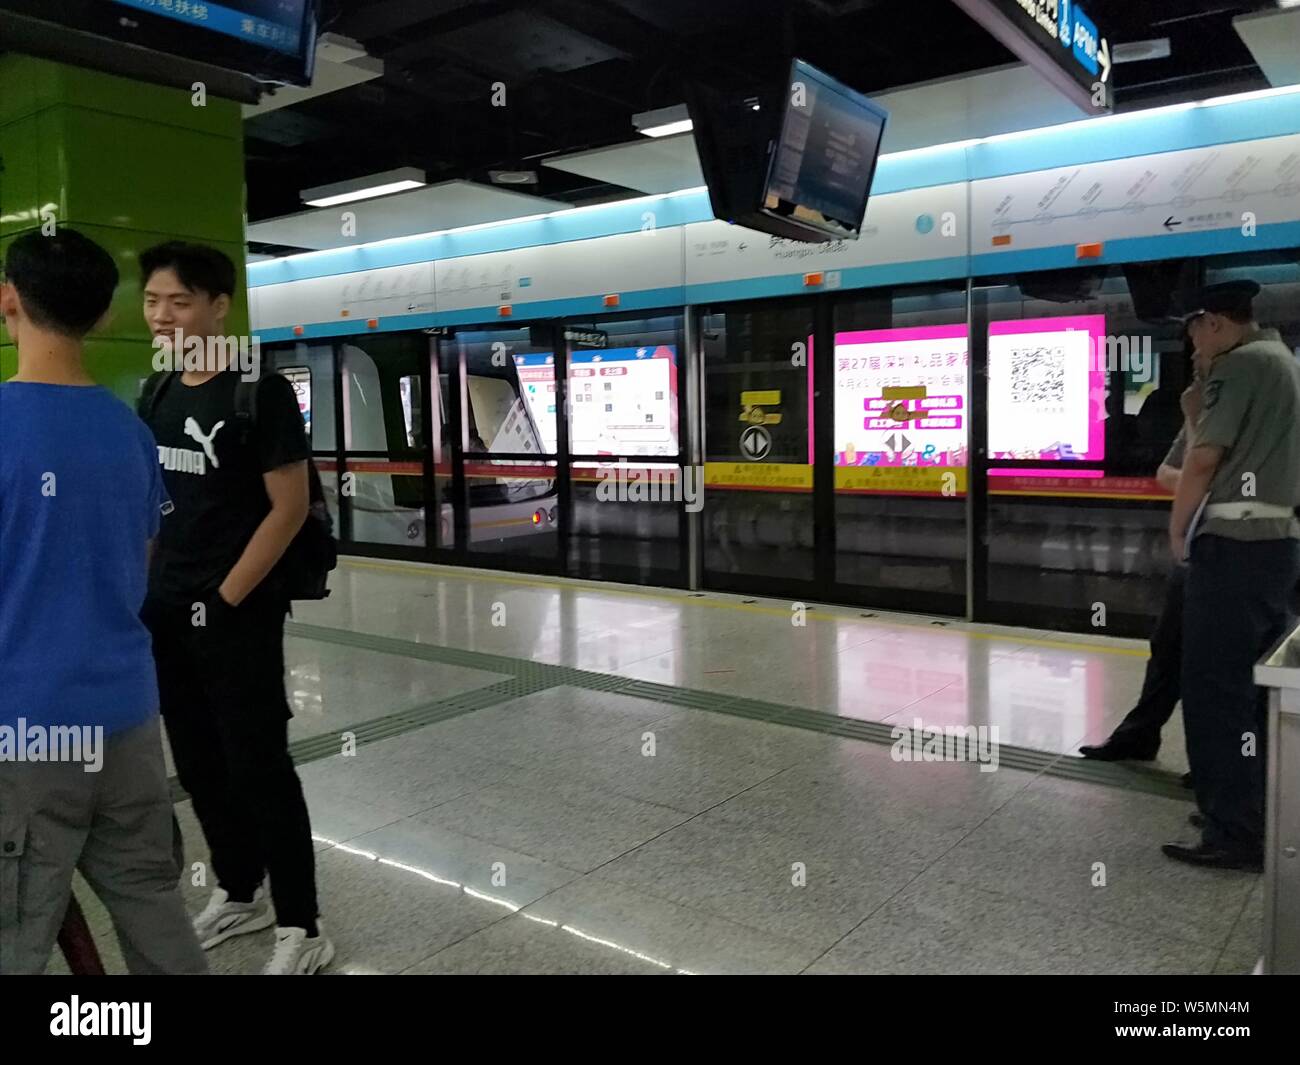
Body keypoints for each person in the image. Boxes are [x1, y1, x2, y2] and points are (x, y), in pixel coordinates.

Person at [0, 229, 207, 974]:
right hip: (126, 718)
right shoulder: (131, 431)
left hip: (25, 728)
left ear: (8, 301)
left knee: (17, 927)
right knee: (152, 903)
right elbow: (140, 559)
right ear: (96, 316)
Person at [137, 242, 333, 973]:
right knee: (198, 762)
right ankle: (239, 887)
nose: (161, 316)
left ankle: (303, 924)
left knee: (259, 764)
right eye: (153, 300)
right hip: (165, 609)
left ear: (218, 306)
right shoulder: (157, 391)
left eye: (178, 301)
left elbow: (288, 508)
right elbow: (159, 508)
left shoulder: (259, 390)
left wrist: (223, 599)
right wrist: (145, 591)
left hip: (236, 611)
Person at [1164, 279, 1300, 871]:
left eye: (1193, 332)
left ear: (1213, 323)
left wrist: (1178, 531)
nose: (1194, 346)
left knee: (1215, 691)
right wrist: (1196, 412)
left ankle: (1233, 833)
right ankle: (1246, 809)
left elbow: (1203, 461)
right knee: (1253, 691)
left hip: (1235, 548)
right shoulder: (1283, 362)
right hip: (1276, 546)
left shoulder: (1240, 364)